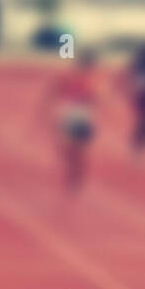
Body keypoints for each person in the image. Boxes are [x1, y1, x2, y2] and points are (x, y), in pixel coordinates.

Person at [42, 50, 99, 193]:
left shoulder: (91, 80)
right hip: (72, 115)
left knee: (74, 148)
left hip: (78, 116)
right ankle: (75, 172)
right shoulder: (68, 76)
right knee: (70, 148)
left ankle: (76, 174)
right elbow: (54, 91)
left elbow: (94, 98)